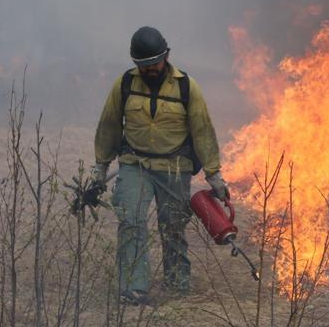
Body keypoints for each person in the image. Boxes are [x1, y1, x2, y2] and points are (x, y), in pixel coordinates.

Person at [93, 26, 229, 305]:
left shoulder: (186, 87)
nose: (150, 68)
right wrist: (100, 168)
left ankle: (177, 284)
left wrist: (214, 175)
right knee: (130, 221)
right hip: (135, 164)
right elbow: (108, 126)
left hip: (174, 167)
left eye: (155, 62)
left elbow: (202, 131)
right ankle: (133, 288)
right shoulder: (125, 84)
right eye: (144, 65)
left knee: (173, 227)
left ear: (166, 56)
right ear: (136, 63)